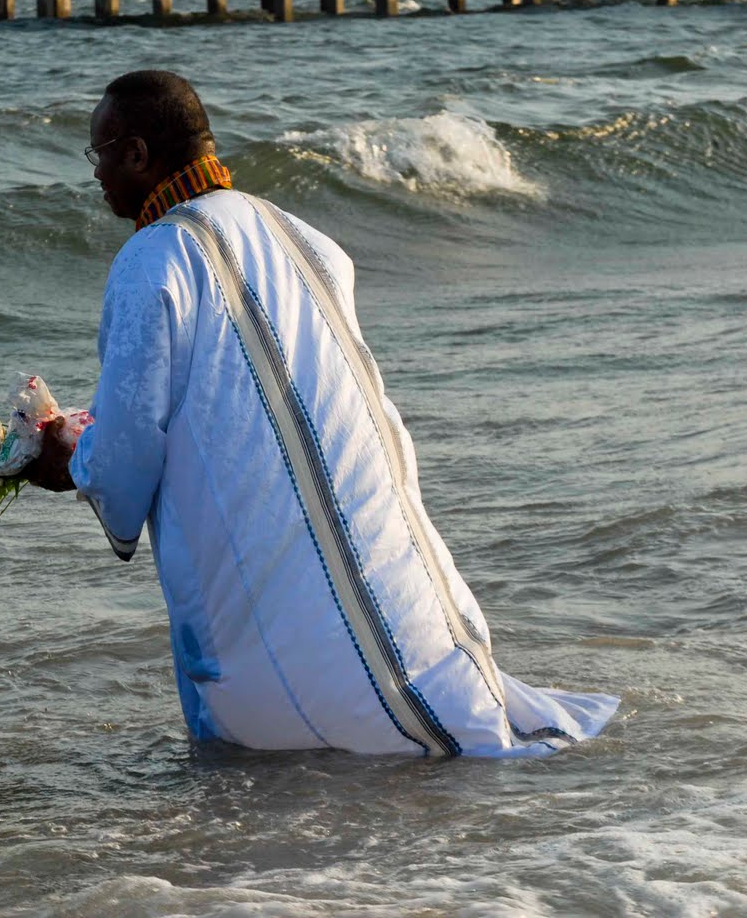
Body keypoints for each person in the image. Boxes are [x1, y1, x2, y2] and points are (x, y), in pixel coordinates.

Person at [30, 71, 619, 758]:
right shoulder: (301, 235)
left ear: (135, 154)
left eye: (98, 153)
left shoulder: (151, 257)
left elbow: (128, 447)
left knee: (269, 756)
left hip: (273, 637)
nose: (95, 173)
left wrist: (65, 460)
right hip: (392, 559)